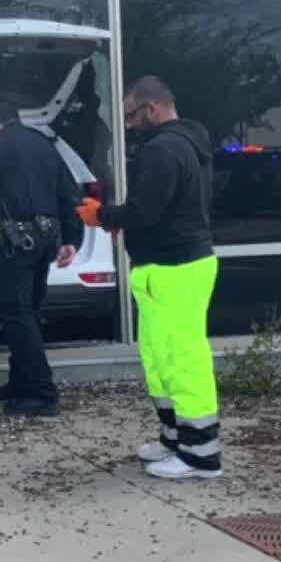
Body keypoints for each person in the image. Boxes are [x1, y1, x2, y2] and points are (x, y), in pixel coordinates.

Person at [77, 75, 221, 480]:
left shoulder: (163, 149)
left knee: (182, 361)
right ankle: (175, 438)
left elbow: (145, 212)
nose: (129, 124)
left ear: (152, 108)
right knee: (160, 359)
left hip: (174, 269)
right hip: (171, 267)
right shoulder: (188, 143)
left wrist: (101, 215)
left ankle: (201, 456)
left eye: (131, 115)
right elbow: (160, 208)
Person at [0, 98, 82, 417]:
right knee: (28, 313)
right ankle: (21, 383)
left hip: (15, 243)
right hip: (46, 242)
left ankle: (42, 393)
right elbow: (69, 193)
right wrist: (72, 239)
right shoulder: (45, 145)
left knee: (16, 314)